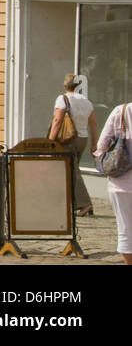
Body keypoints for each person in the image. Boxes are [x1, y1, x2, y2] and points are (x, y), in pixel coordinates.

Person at [48, 74, 99, 217]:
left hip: (67, 139)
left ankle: (85, 204)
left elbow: (57, 121)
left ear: (65, 86)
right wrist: (94, 144)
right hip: (82, 139)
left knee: (72, 171)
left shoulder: (62, 99)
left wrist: (50, 142)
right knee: (70, 170)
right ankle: (70, 203)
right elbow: (93, 124)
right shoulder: (86, 101)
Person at [94, 99, 132, 265]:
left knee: (125, 230)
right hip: (121, 185)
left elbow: (101, 147)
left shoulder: (121, 112)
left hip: (120, 183)